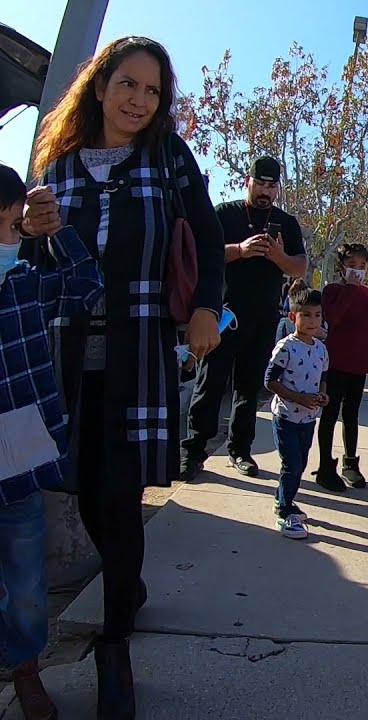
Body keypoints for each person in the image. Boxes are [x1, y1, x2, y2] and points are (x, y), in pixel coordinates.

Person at [23, 35, 225, 717]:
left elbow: (203, 230)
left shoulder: (168, 158)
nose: (140, 100)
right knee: (80, 489)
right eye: (128, 85)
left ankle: (115, 642)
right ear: (100, 85)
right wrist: (31, 227)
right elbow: (38, 259)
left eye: (153, 90)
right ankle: (128, 584)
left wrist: (206, 310)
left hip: (139, 352)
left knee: (119, 492)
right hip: (68, 354)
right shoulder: (60, 165)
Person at [0, 166, 103, 720]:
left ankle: (24, 668)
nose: (6, 238)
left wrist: (56, 231)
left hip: (17, 461)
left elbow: (89, 283)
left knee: (26, 581)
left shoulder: (28, 284)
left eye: (12, 227)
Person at [181, 156, 306, 481]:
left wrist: (277, 256)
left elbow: (299, 268)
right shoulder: (224, 213)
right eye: (260, 183)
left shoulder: (287, 223)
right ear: (247, 182)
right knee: (210, 384)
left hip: (263, 317)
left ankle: (240, 449)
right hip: (222, 314)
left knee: (249, 389)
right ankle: (193, 451)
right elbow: (202, 253)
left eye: (271, 185)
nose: (265, 190)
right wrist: (240, 249)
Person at [264, 281, 329, 538]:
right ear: (293, 317)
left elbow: (324, 376)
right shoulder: (286, 347)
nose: (313, 321)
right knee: (291, 464)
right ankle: (283, 512)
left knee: (300, 463)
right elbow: (270, 381)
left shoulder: (321, 349)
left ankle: (284, 499)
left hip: (309, 419)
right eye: (306, 315)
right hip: (286, 417)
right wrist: (297, 398)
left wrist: (322, 394)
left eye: (317, 315)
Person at [314, 242, 368, 491]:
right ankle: (325, 465)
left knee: (352, 415)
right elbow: (334, 317)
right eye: (352, 266)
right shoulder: (332, 291)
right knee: (329, 415)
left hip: (358, 365)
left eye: (362, 267)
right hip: (335, 363)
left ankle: (350, 463)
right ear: (342, 267)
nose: (357, 271)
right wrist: (350, 290)